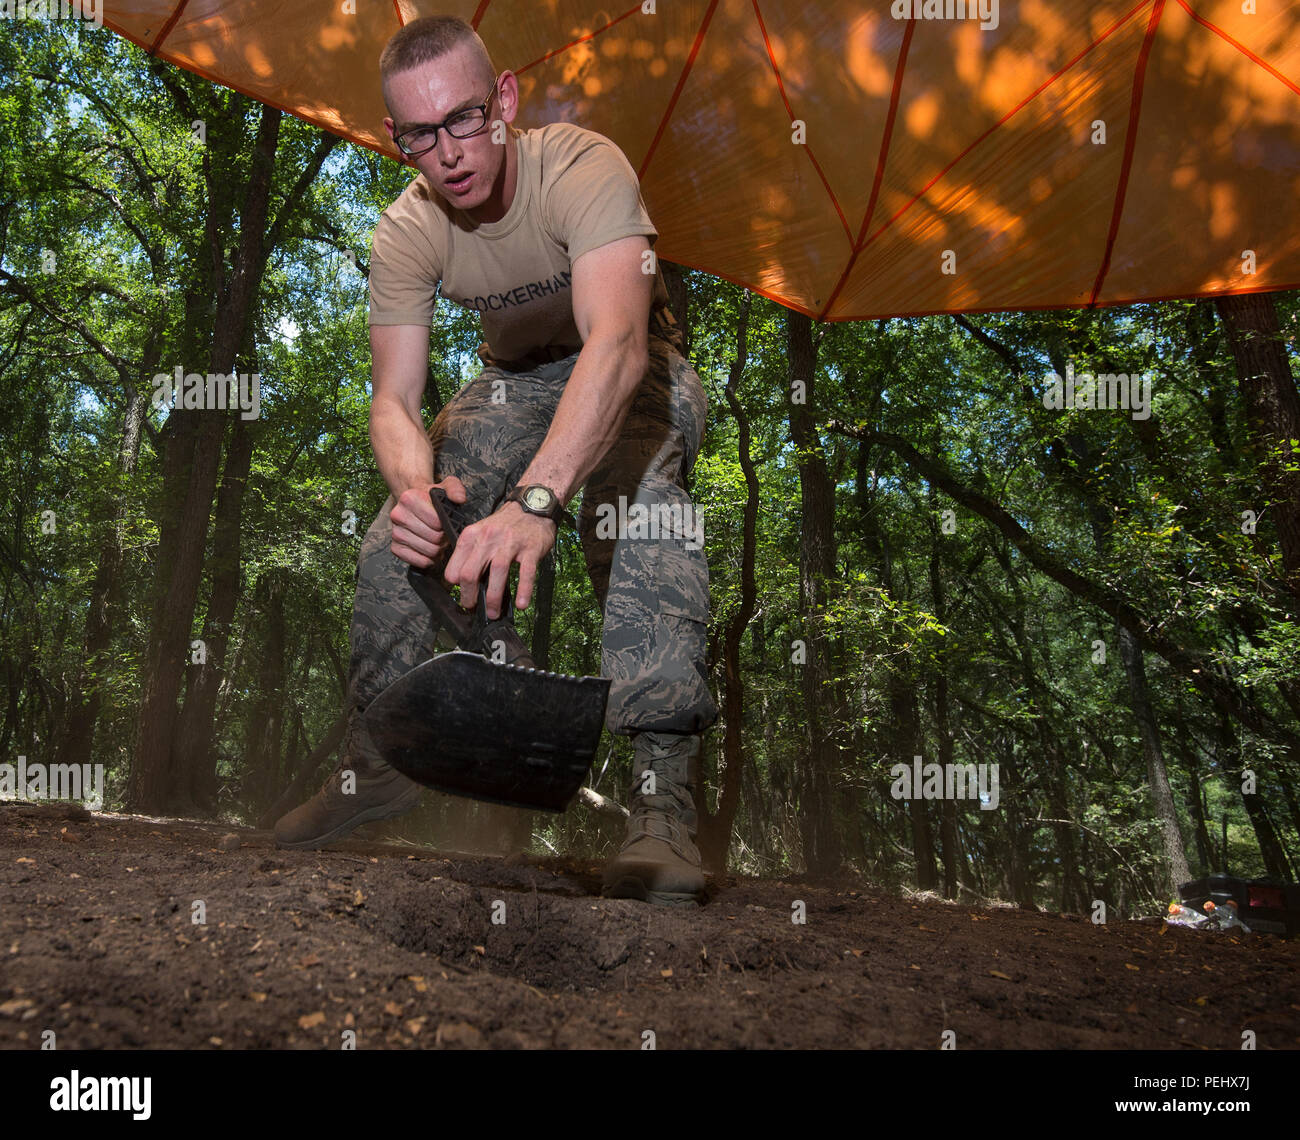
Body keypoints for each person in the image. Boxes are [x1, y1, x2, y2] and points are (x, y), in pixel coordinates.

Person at [273, 15, 717, 906]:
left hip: (634, 365)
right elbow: (393, 402)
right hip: (512, 383)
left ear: (504, 99)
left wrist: (537, 501)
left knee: (640, 510)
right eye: (419, 134)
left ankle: (662, 802)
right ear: (396, 137)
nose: (448, 152)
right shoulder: (406, 230)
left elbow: (617, 344)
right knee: (394, 533)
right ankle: (378, 765)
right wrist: (420, 496)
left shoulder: (582, 166)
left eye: (464, 118)